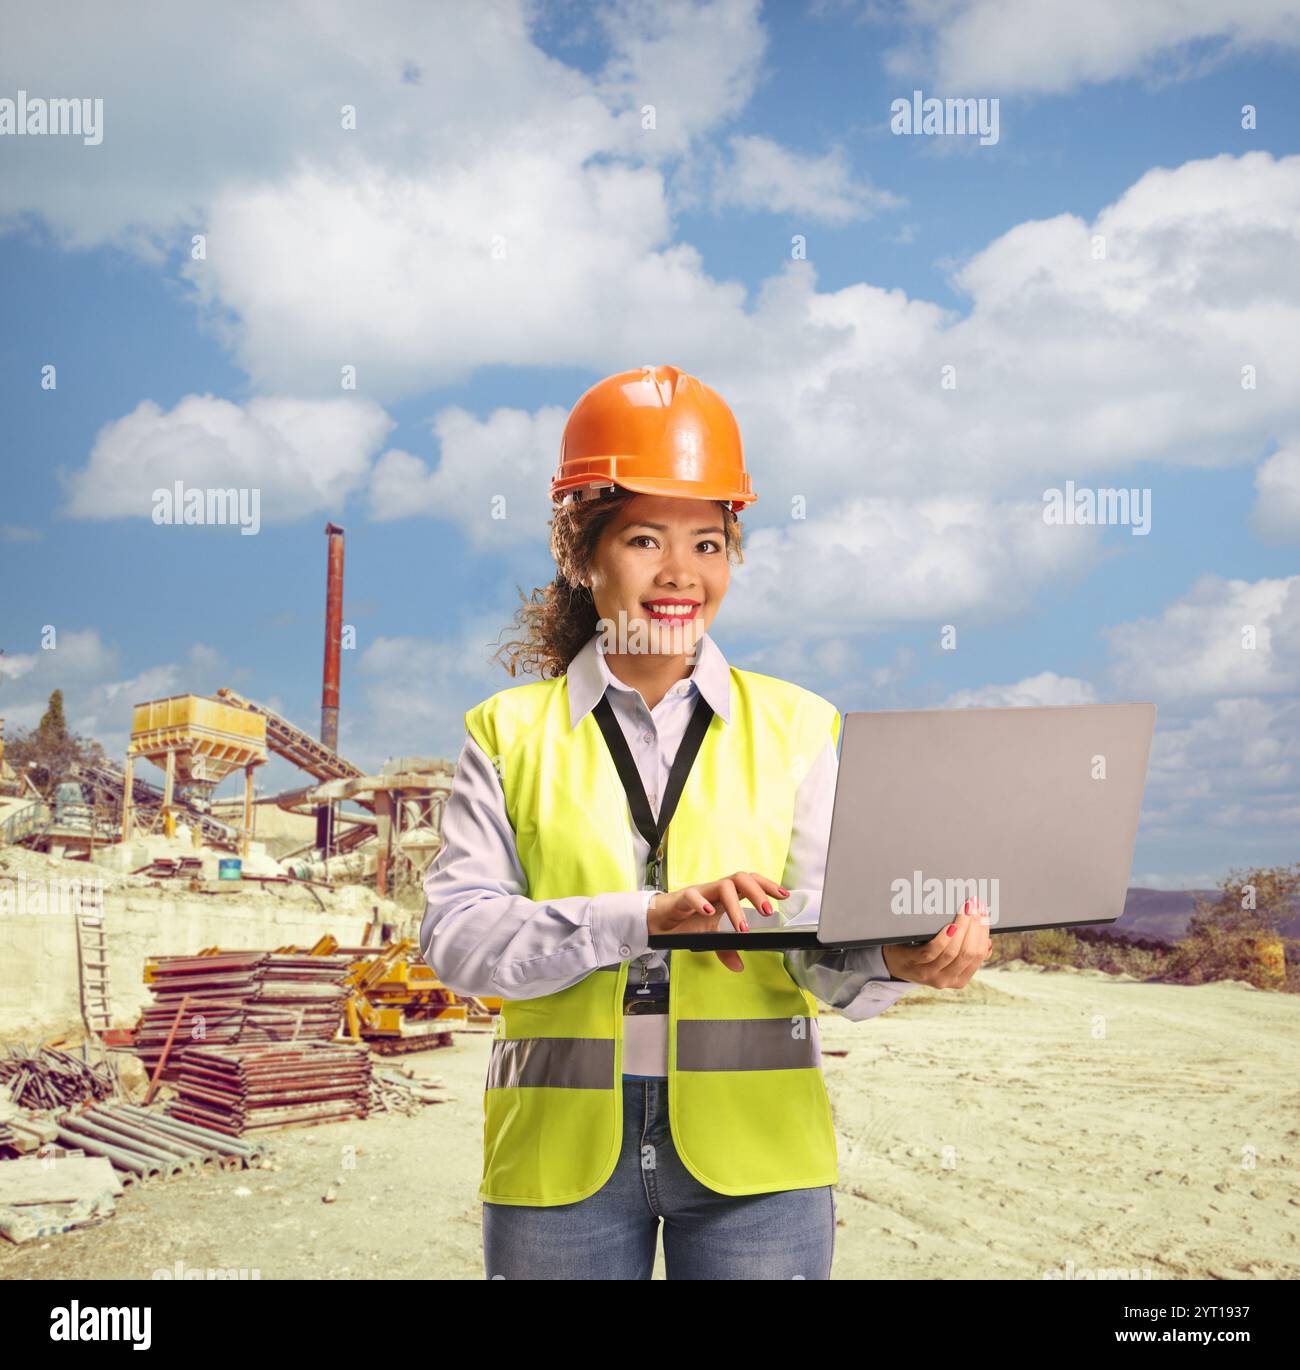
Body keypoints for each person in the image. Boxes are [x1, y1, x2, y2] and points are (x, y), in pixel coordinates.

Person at [420, 364, 992, 1280]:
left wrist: (897, 959)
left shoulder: (799, 728)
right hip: (556, 1157)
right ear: (581, 554)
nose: (681, 574)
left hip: (756, 1162)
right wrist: (641, 918)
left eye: (710, 542)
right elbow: (458, 939)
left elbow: (817, 947)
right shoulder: (508, 731)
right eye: (645, 538)